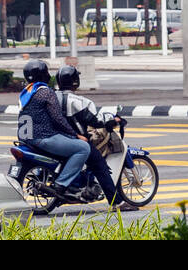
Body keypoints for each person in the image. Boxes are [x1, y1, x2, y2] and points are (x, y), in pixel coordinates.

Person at [54, 64, 136, 211]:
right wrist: (112, 121)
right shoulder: (79, 101)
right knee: (100, 166)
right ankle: (117, 203)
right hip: (77, 140)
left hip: (56, 139)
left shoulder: (51, 96)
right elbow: (95, 121)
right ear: (75, 81)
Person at [18, 59, 93, 202]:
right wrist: (76, 135)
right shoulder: (45, 92)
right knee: (83, 148)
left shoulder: (26, 92)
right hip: (43, 137)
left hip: (26, 138)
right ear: (42, 75)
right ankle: (62, 184)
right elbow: (58, 119)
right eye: (46, 72)